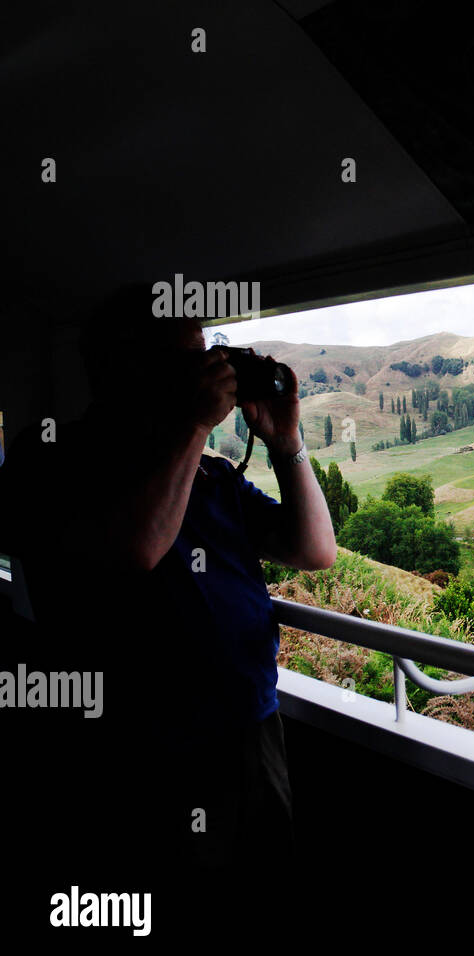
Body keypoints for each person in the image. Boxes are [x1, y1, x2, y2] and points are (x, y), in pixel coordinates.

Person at [0, 298, 335, 871]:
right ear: (123, 368)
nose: (205, 376)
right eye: (187, 363)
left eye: (207, 362)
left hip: (249, 725)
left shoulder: (209, 474)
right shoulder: (50, 458)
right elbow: (138, 549)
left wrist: (286, 443)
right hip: (137, 746)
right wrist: (194, 427)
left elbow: (315, 549)